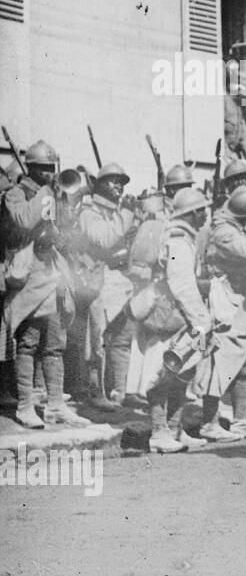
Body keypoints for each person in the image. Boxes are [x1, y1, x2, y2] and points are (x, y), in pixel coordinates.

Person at [129, 187, 212, 453]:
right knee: (161, 376)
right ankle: (159, 432)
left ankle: (176, 429)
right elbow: (182, 286)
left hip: (181, 318)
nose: (206, 215)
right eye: (203, 210)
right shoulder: (177, 241)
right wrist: (201, 320)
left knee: (183, 373)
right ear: (195, 212)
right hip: (170, 318)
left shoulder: (182, 238)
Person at [1, 141, 77, 429]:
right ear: (30, 167)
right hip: (29, 274)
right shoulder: (16, 193)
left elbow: (57, 229)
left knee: (55, 344)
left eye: (51, 168)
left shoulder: (51, 194)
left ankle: (56, 404)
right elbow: (23, 220)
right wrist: (44, 194)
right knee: (29, 341)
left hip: (52, 271)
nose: (49, 173)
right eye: (43, 168)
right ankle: (24, 406)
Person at [192, 184, 246, 441]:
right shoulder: (223, 231)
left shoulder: (239, 227)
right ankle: (210, 421)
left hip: (244, 299)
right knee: (221, 360)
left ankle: (241, 419)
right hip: (227, 299)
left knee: (244, 363)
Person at [74, 163, 138, 415]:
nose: (119, 185)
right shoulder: (88, 212)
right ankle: (95, 392)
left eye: (121, 181)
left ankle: (119, 390)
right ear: (99, 184)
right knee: (96, 339)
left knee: (122, 337)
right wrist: (127, 217)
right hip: (96, 279)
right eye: (113, 181)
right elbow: (104, 239)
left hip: (119, 280)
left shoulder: (117, 212)